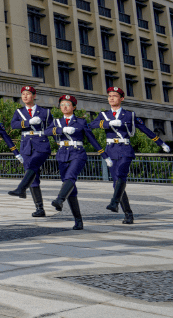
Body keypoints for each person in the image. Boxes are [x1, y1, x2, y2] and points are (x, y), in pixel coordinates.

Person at [91, 86, 169, 224]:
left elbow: (144, 129)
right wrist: (109, 123)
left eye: (114, 96)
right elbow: (91, 125)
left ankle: (114, 202)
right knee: (117, 184)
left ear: (122, 98)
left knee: (121, 175)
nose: (111, 98)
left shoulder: (129, 115)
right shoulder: (104, 115)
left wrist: (161, 143)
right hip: (111, 150)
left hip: (125, 149)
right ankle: (128, 213)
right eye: (109, 96)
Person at [47, 94, 102, 230]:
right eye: (62, 105)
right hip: (62, 154)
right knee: (70, 188)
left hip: (78, 153)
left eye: (67, 104)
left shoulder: (81, 122)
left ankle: (59, 200)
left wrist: (103, 154)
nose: (64, 107)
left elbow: (91, 139)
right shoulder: (57, 122)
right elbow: (46, 132)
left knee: (70, 177)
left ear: (74, 107)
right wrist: (61, 130)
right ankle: (78, 220)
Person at [7, 85, 53, 218]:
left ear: (34, 95)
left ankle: (21, 189)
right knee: (33, 177)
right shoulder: (19, 112)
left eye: (28, 94)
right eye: (23, 94)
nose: (25, 96)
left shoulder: (45, 112)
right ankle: (39, 209)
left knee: (32, 165)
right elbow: (13, 125)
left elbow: (52, 127)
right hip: (26, 145)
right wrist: (27, 122)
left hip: (41, 144)